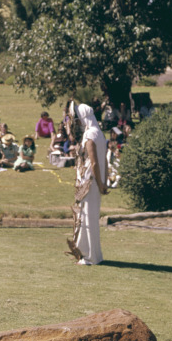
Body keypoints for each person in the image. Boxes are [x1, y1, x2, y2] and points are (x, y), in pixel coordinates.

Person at [66, 102, 107, 265]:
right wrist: (104, 182)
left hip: (89, 183)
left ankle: (90, 256)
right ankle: (91, 254)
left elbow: (94, 162)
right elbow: (104, 161)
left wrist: (100, 183)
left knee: (87, 218)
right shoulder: (100, 134)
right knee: (90, 217)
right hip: (95, 182)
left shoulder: (90, 135)